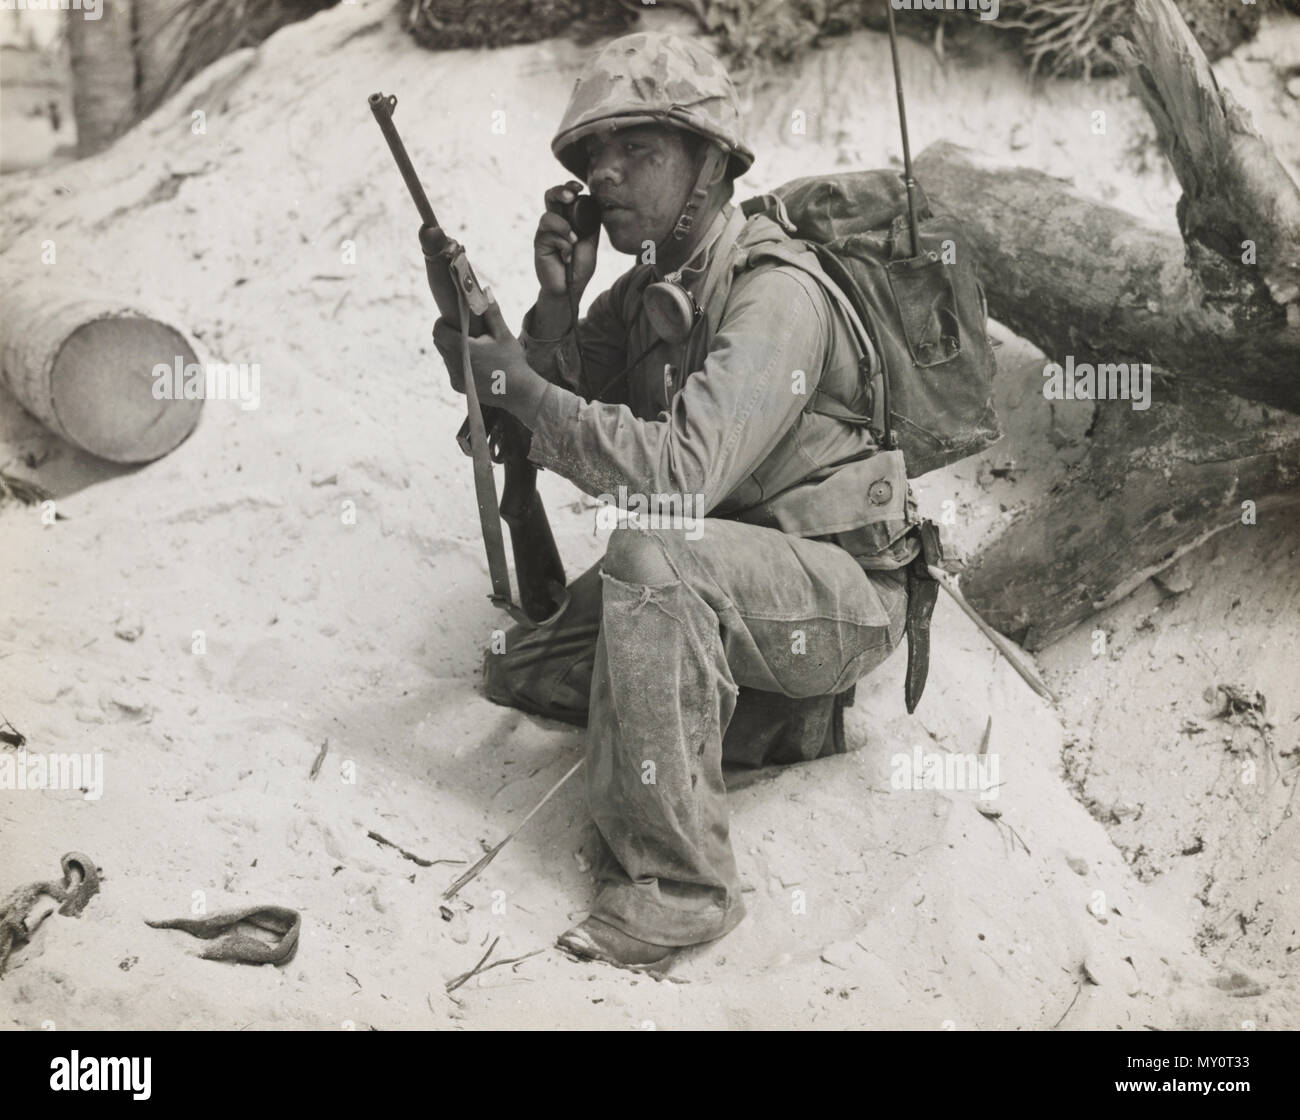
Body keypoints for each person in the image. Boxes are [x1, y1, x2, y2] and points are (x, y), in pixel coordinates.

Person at [432, 30, 918, 969]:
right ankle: (749, 716)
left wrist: (526, 392)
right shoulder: (649, 288)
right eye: (592, 158)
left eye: (638, 152)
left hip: (839, 593)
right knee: (522, 672)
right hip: (732, 574)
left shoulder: (776, 293)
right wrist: (553, 310)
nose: (606, 175)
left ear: (711, 163)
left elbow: (676, 480)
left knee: (647, 554)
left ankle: (686, 882)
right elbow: (548, 408)